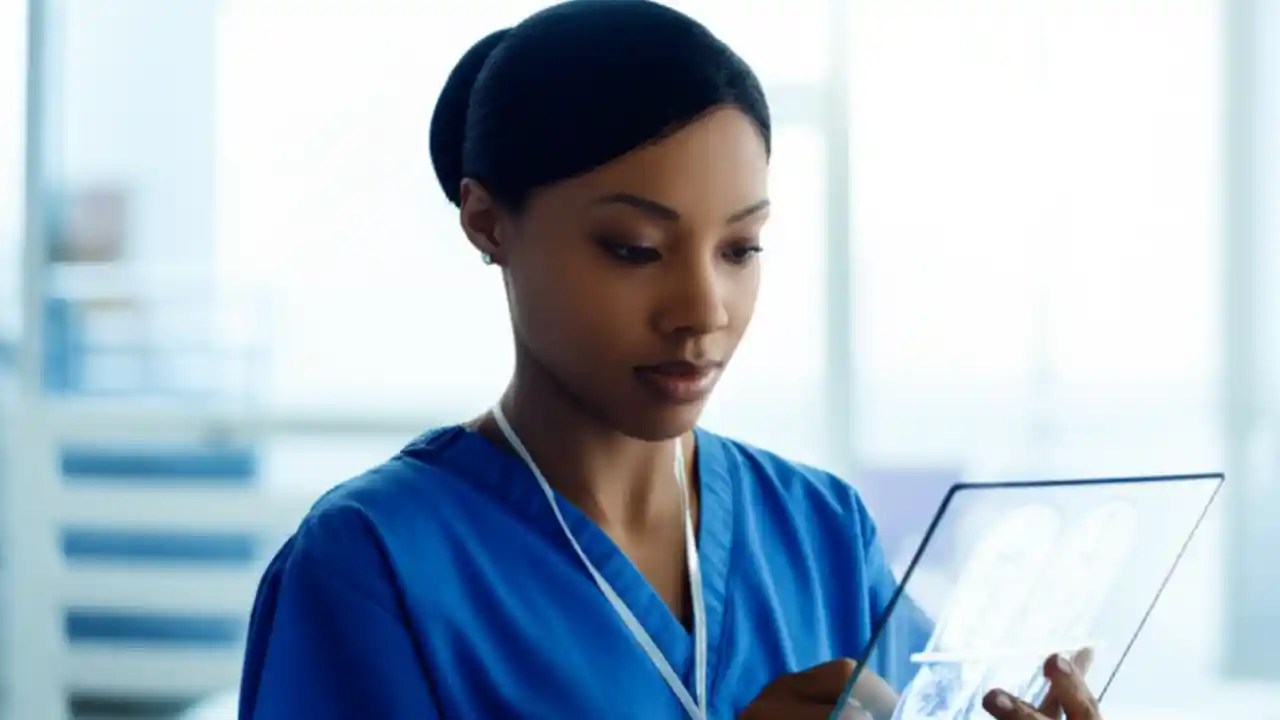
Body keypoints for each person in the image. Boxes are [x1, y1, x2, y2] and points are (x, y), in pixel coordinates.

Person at [238, 1, 1103, 718]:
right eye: (636, 249)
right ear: (489, 222)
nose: (704, 311)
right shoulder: (373, 563)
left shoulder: (819, 532)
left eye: (741, 249)